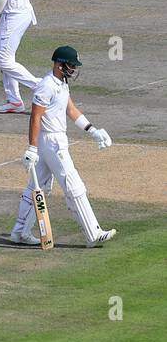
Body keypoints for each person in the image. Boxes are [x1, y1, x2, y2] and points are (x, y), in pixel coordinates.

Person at [10, 45, 116, 248]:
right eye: (71, 65)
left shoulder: (62, 83)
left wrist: (93, 130)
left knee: (38, 186)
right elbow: (36, 116)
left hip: (53, 141)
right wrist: (32, 148)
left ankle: (20, 231)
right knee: (74, 185)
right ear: (60, 65)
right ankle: (93, 234)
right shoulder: (46, 85)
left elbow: (71, 109)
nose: (73, 69)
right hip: (52, 142)